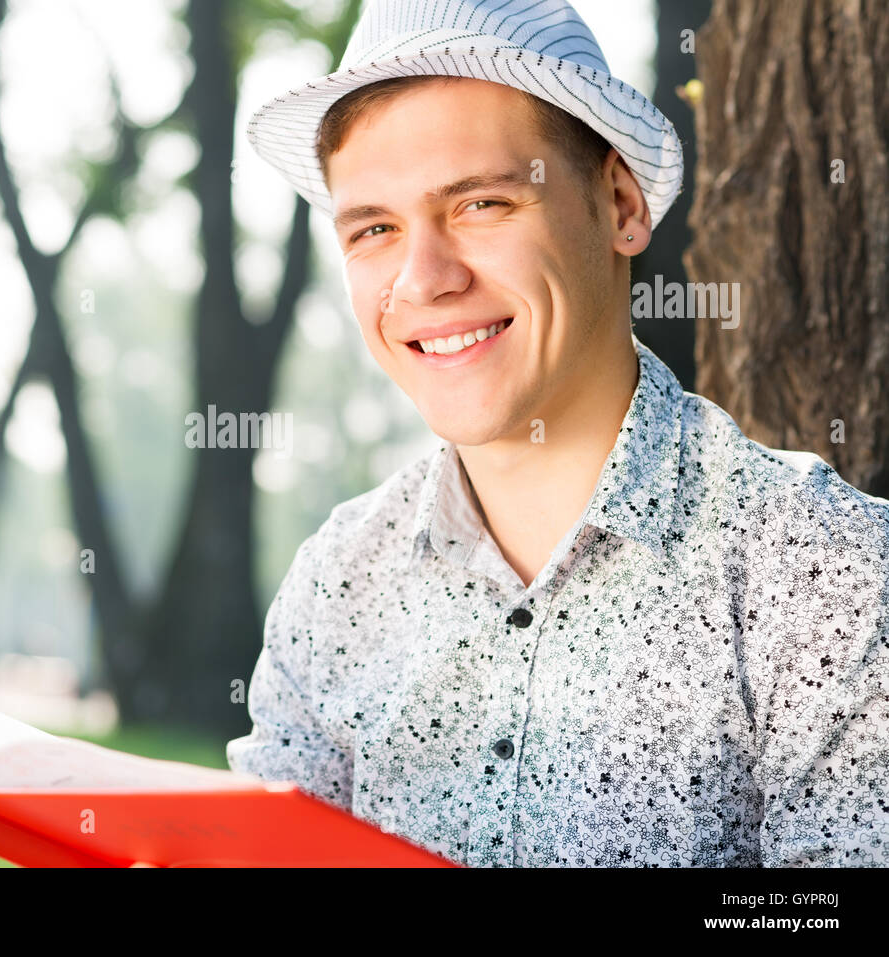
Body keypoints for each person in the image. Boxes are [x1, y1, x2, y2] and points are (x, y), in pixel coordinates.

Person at [226, 0, 889, 867]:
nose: (423, 281)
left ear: (619, 204)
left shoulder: (823, 568)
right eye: (376, 229)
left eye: (481, 204)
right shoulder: (336, 588)